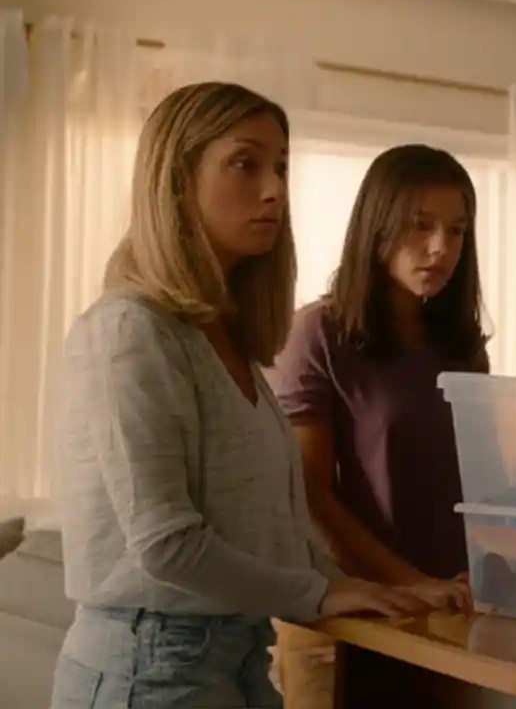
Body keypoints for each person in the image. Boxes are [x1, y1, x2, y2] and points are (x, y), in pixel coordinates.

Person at [51, 82, 430, 709]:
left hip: (241, 656)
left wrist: (382, 588)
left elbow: (266, 531)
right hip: (148, 668)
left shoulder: (228, 342)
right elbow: (166, 546)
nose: (275, 189)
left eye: (281, 166)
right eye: (245, 164)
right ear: (178, 181)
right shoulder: (129, 330)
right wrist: (318, 593)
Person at [268, 145, 486, 706]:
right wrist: (408, 582)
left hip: (444, 614)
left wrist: (477, 573)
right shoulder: (318, 333)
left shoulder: (461, 348)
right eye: (421, 225)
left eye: (457, 231)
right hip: (344, 617)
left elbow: (474, 482)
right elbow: (311, 495)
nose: (440, 247)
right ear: (377, 225)